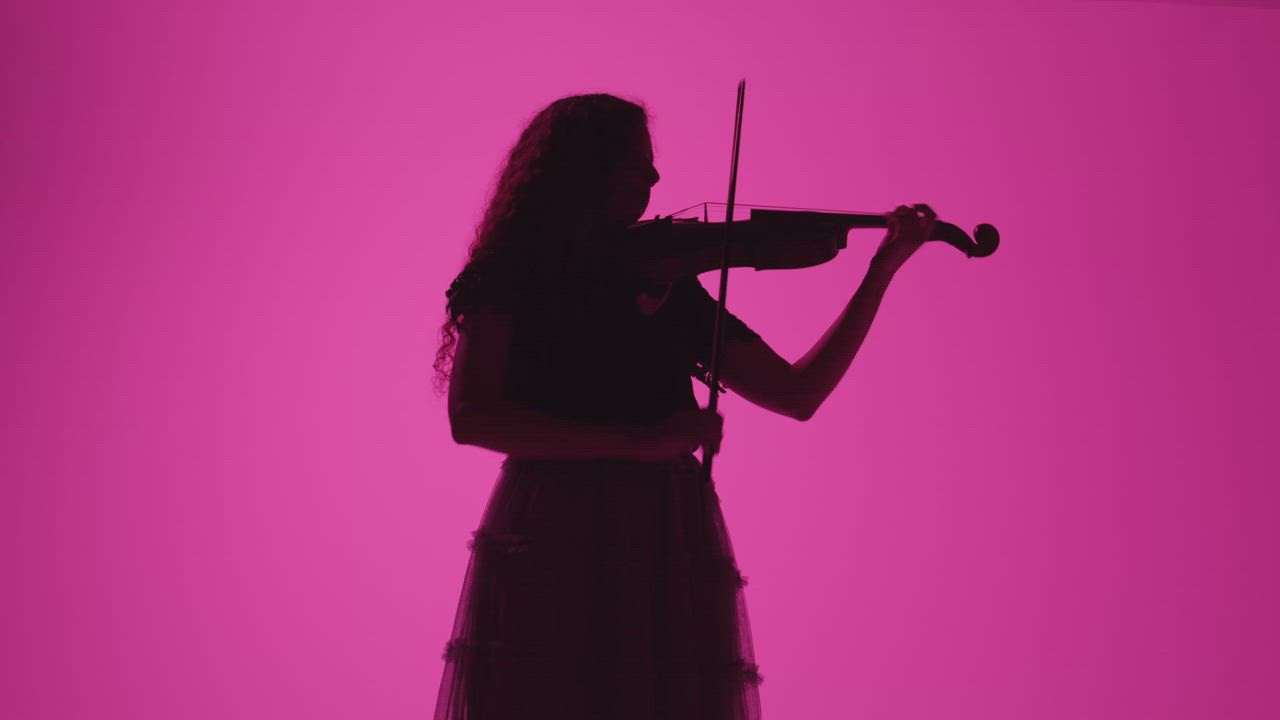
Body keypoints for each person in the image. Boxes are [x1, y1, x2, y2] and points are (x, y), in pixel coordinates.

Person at [431, 92, 936, 720]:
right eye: (637, 162)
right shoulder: (507, 279)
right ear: (590, 171)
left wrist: (880, 271)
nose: (655, 177)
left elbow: (797, 395)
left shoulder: (672, 288)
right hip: (555, 527)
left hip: (666, 533)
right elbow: (472, 417)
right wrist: (638, 442)